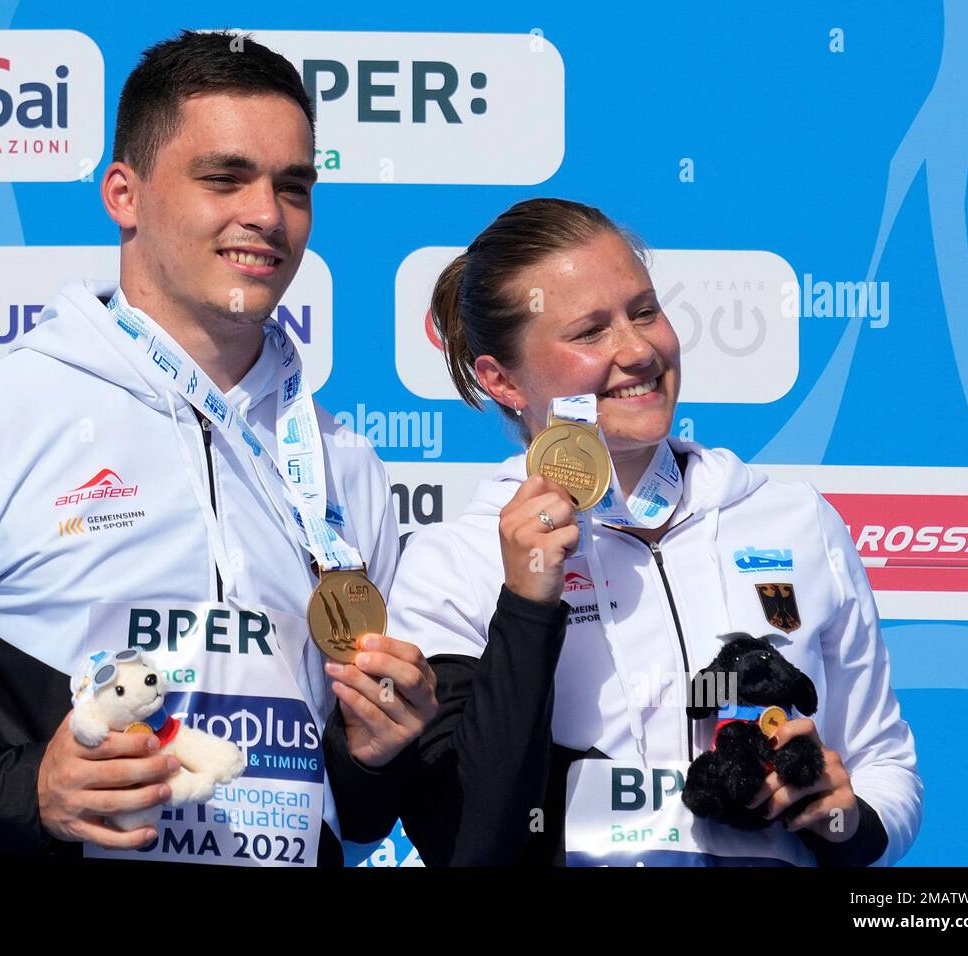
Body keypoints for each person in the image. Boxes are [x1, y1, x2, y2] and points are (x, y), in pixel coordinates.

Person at [0, 30, 436, 868]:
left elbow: (355, 821)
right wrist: (23, 792)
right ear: (125, 194)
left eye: (292, 187)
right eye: (224, 177)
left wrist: (373, 756)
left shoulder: (345, 467)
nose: (266, 213)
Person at [389, 198, 922, 866]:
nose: (638, 351)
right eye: (589, 332)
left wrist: (841, 818)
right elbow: (470, 840)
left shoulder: (794, 519)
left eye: (644, 312)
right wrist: (527, 605)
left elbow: (885, 768)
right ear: (502, 380)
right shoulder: (454, 563)